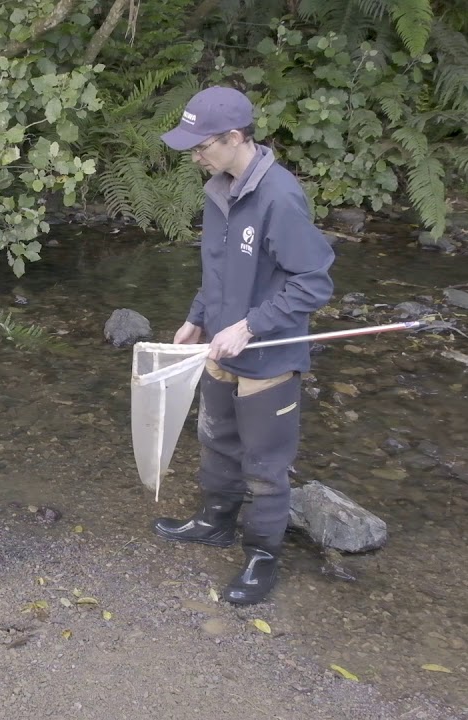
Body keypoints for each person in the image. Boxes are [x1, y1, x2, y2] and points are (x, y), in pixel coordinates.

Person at [153, 86, 335, 605]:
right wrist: (197, 318)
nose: (195, 156)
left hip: (268, 353)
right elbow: (218, 269)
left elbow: (313, 281)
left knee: (264, 465)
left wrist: (251, 327)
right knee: (216, 441)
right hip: (220, 345)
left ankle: (261, 556)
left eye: (201, 145)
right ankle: (214, 522)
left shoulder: (279, 197)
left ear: (234, 138)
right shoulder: (219, 188)